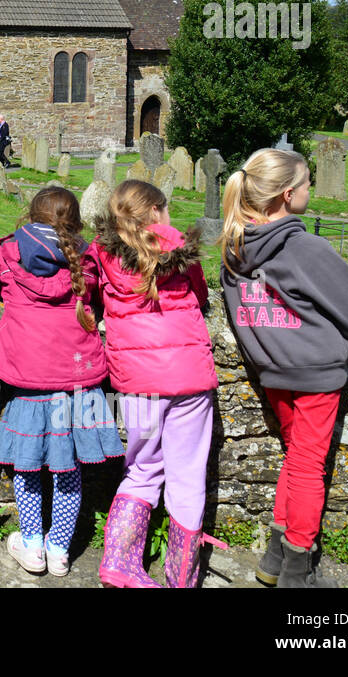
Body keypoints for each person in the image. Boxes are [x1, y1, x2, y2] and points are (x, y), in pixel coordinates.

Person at [219, 149, 348, 588]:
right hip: (316, 371)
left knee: (295, 459)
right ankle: (298, 572)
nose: (309, 190)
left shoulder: (233, 249)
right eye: (305, 184)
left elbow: (241, 316)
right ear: (287, 195)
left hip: (273, 371)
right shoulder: (305, 247)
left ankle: (273, 557)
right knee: (307, 466)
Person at [85, 180, 220, 588]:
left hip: (137, 382)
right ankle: (182, 577)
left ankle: (119, 563)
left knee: (141, 469)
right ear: (156, 211)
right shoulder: (180, 250)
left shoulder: (101, 253)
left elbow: (87, 298)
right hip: (189, 378)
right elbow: (201, 293)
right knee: (187, 478)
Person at [0, 187, 123, 577]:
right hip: (75, 383)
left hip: (28, 382)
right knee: (69, 471)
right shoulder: (86, 259)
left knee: (27, 468)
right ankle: (59, 549)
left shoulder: (9, 253)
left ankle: (32, 545)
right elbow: (95, 294)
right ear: (76, 221)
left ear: (31, 216)